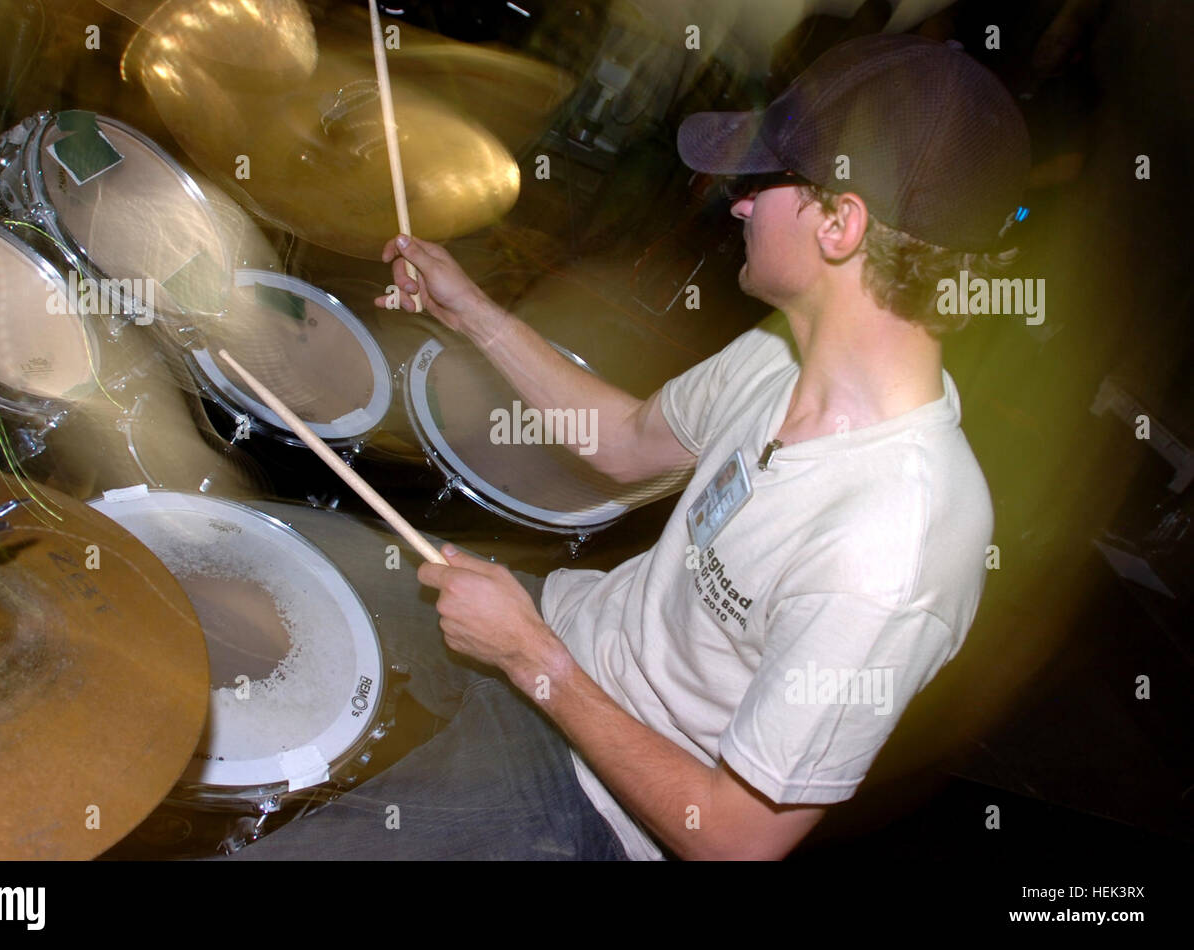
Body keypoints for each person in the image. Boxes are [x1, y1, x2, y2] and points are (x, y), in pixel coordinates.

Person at [225, 32, 1030, 861]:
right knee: (240, 565)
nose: (741, 205)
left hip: (593, 801)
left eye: (767, 184)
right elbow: (622, 442)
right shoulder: (778, 353)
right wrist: (469, 313)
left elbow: (735, 841)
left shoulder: (896, 545)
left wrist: (530, 658)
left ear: (839, 223)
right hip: (563, 629)